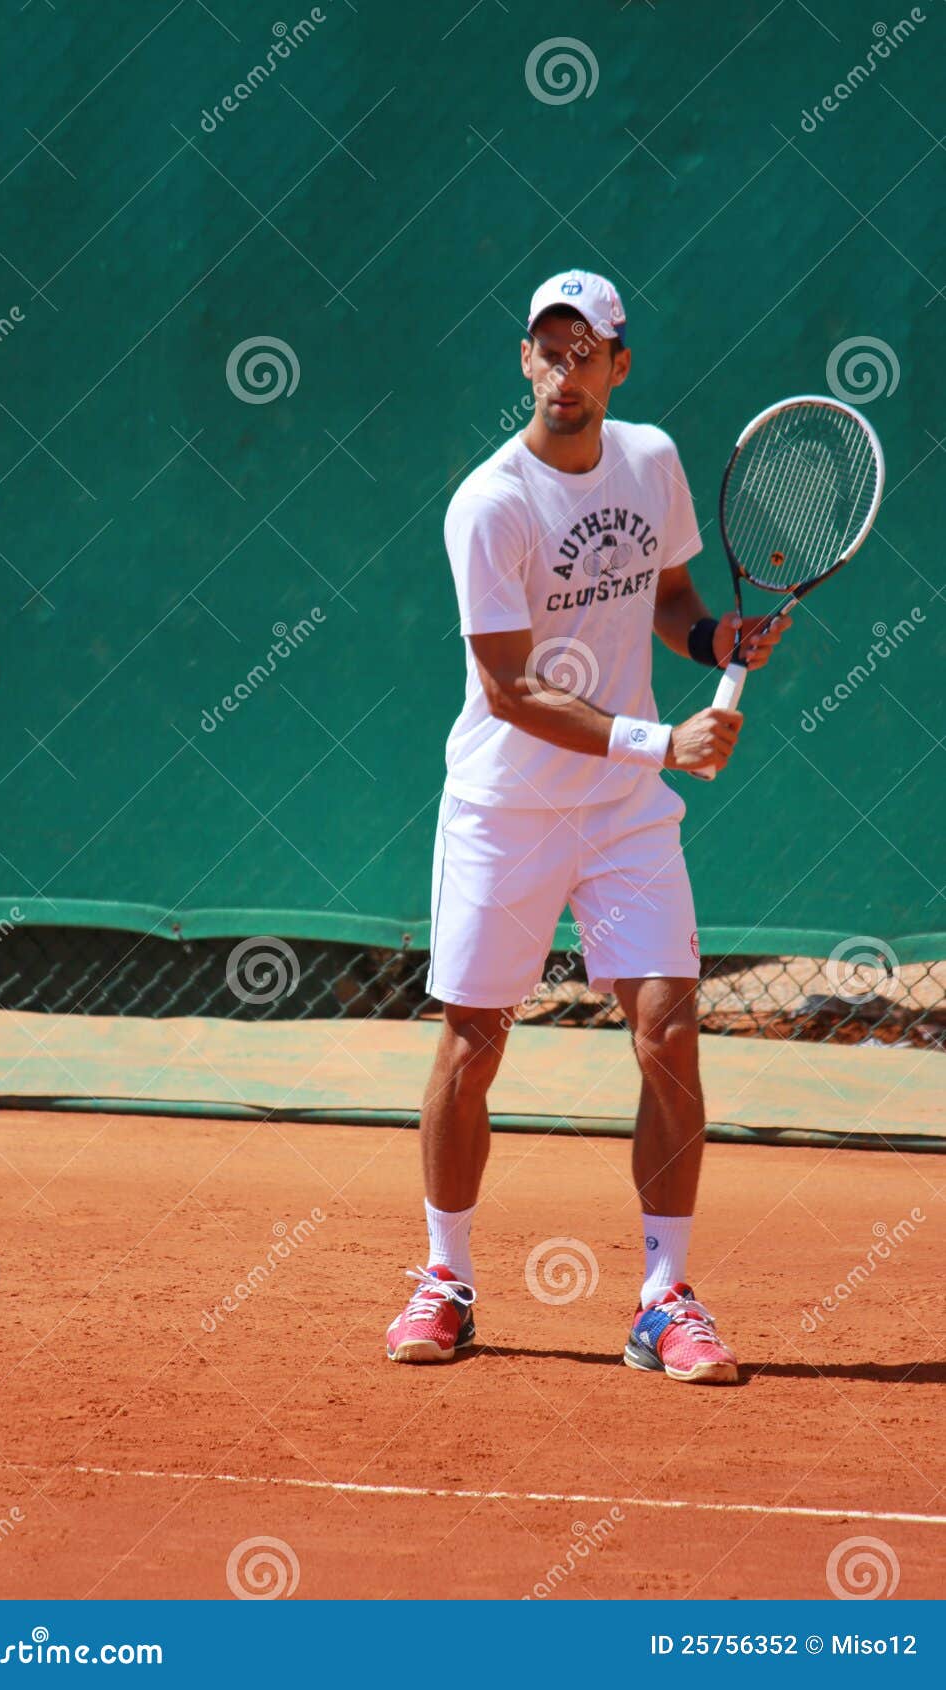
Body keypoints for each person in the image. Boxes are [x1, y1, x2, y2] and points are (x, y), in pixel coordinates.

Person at [386, 270, 790, 1383]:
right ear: (524, 360)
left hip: (620, 817)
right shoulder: (491, 504)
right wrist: (662, 743)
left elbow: (662, 597)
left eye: (585, 353)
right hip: (506, 808)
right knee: (472, 1045)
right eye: (546, 351)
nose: (563, 373)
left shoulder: (650, 461)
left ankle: (662, 1299)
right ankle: (445, 1281)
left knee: (667, 1032)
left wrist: (713, 644)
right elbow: (510, 690)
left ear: (618, 365)